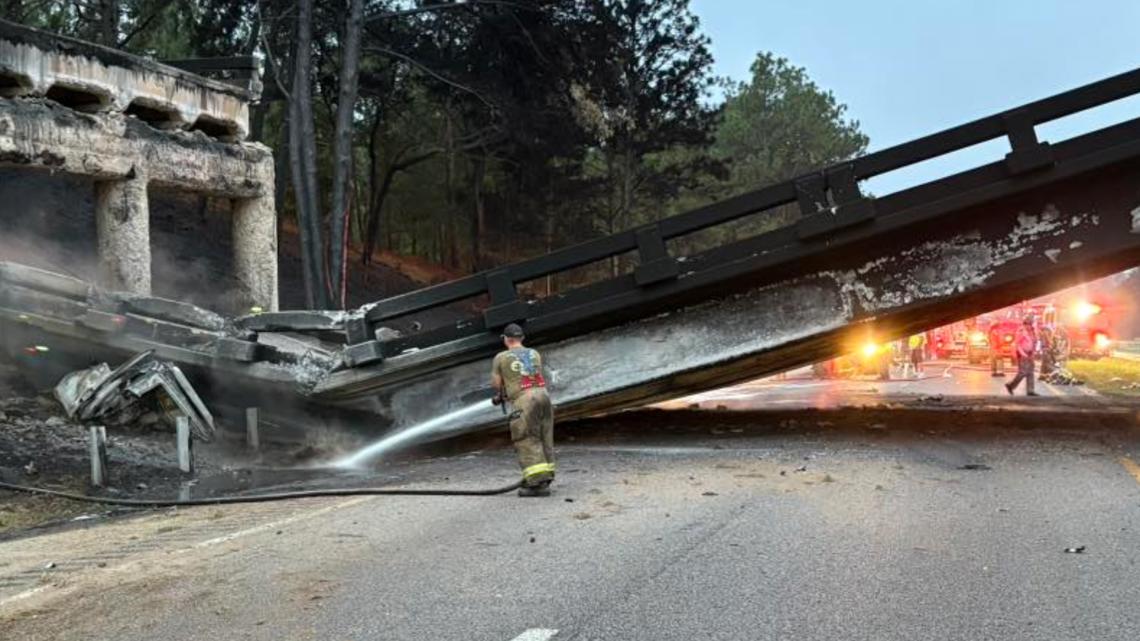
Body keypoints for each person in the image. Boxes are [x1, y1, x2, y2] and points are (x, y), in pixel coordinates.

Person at [491, 323, 555, 497]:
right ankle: (547, 475)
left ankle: (536, 484)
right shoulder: (534, 353)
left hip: (524, 399)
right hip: (543, 396)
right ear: (522, 338)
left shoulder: (501, 357)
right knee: (544, 435)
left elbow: (497, 383)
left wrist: (501, 394)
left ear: (506, 339)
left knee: (526, 437)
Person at [1005, 316, 1039, 397]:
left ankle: (1030, 390)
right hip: (1022, 353)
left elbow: (1035, 342)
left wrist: (1034, 352)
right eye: (1027, 324)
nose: (1028, 326)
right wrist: (1023, 353)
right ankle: (1011, 385)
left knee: (1030, 372)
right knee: (1022, 372)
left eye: (1030, 324)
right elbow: (1017, 344)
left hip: (1030, 353)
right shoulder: (1021, 331)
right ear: (1024, 324)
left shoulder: (1033, 332)